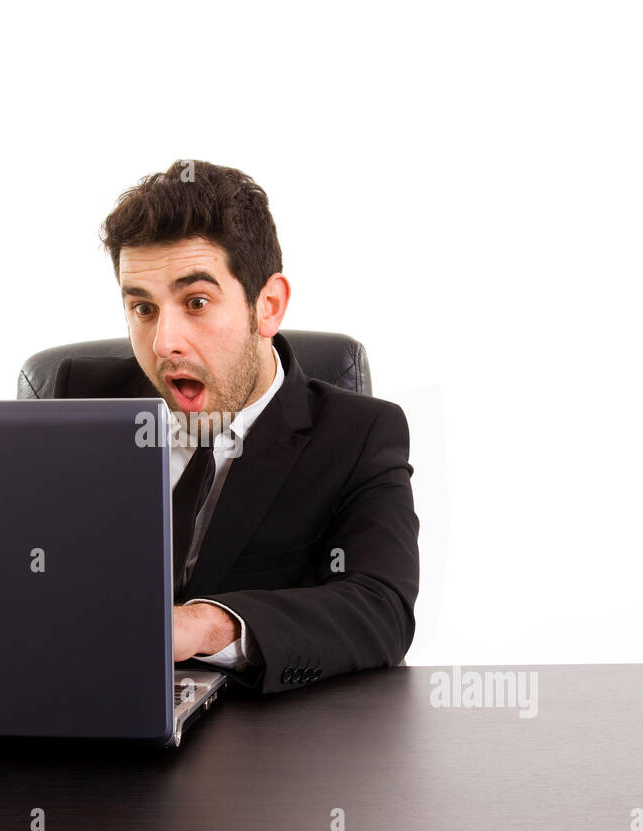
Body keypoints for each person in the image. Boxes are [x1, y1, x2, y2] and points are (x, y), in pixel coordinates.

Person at [47, 159, 420, 694]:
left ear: (267, 306)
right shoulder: (80, 399)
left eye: (196, 302)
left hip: (264, 733)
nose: (164, 343)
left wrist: (206, 624)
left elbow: (380, 608)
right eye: (143, 308)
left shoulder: (359, 434)